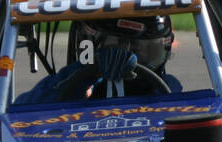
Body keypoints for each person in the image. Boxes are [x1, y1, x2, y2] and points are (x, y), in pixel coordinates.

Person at [13, 15, 182, 106]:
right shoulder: (66, 82)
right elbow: (19, 115)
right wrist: (82, 78)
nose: (127, 58)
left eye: (141, 50)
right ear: (88, 42)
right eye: (114, 46)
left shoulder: (168, 88)